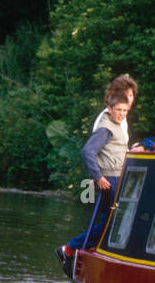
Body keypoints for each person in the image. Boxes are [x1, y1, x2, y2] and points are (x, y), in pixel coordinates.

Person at [56, 74, 146, 266]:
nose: (129, 102)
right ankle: (71, 248)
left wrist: (130, 150)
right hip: (109, 178)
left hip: (115, 175)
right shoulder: (106, 125)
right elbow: (89, 150)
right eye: (127, 97)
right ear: (112, 104)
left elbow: (113, 149)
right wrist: (98, 177)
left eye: (130, 98)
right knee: (110, 222)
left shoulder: (119, 121)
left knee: (108, 219)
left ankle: (83, 250)